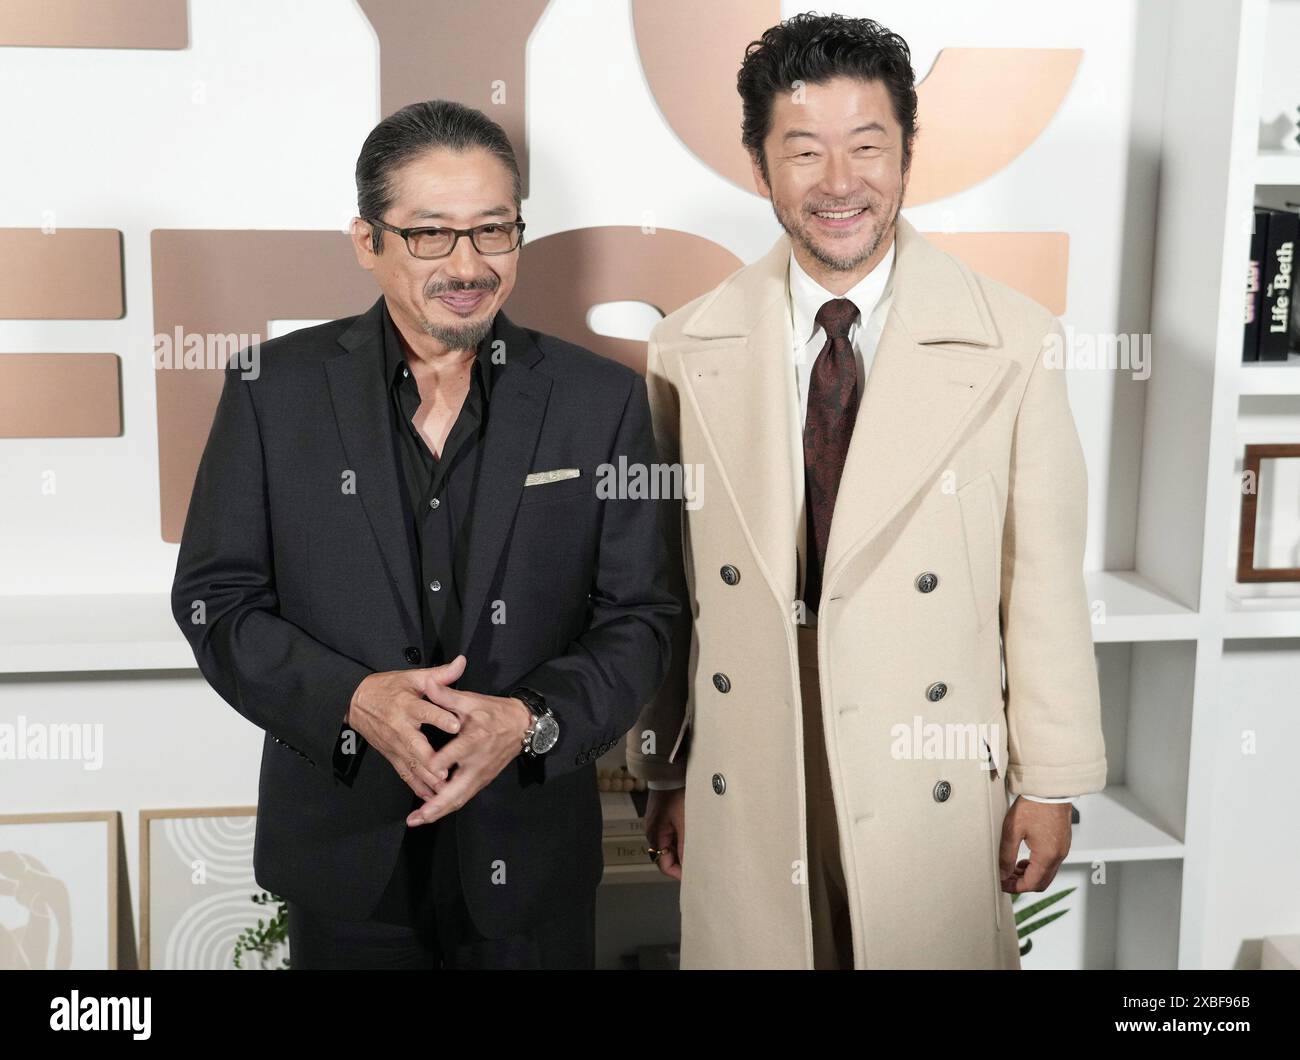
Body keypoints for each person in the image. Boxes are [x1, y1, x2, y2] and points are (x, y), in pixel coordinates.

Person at [628, 13, 1106, 969]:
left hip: (923, 744)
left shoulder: (1012, 339)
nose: (838, 184)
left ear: (908, 154)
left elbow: (1043, 580)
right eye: (803, 151)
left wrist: (1050, 781)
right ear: (760, 167)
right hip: (756, 745)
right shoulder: (684, 345)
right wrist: (664, 765)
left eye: (867, 147)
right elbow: (671, 588)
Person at [172, 99, 677, 969]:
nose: (469, 264)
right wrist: (351, 699)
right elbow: (217, 598)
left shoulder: (601, 400)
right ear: (368, 241)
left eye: (493, 231)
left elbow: (643, 615)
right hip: (346, 858)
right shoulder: (273, 388)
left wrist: (531, 720)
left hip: (530, 858)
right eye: (431, 235)